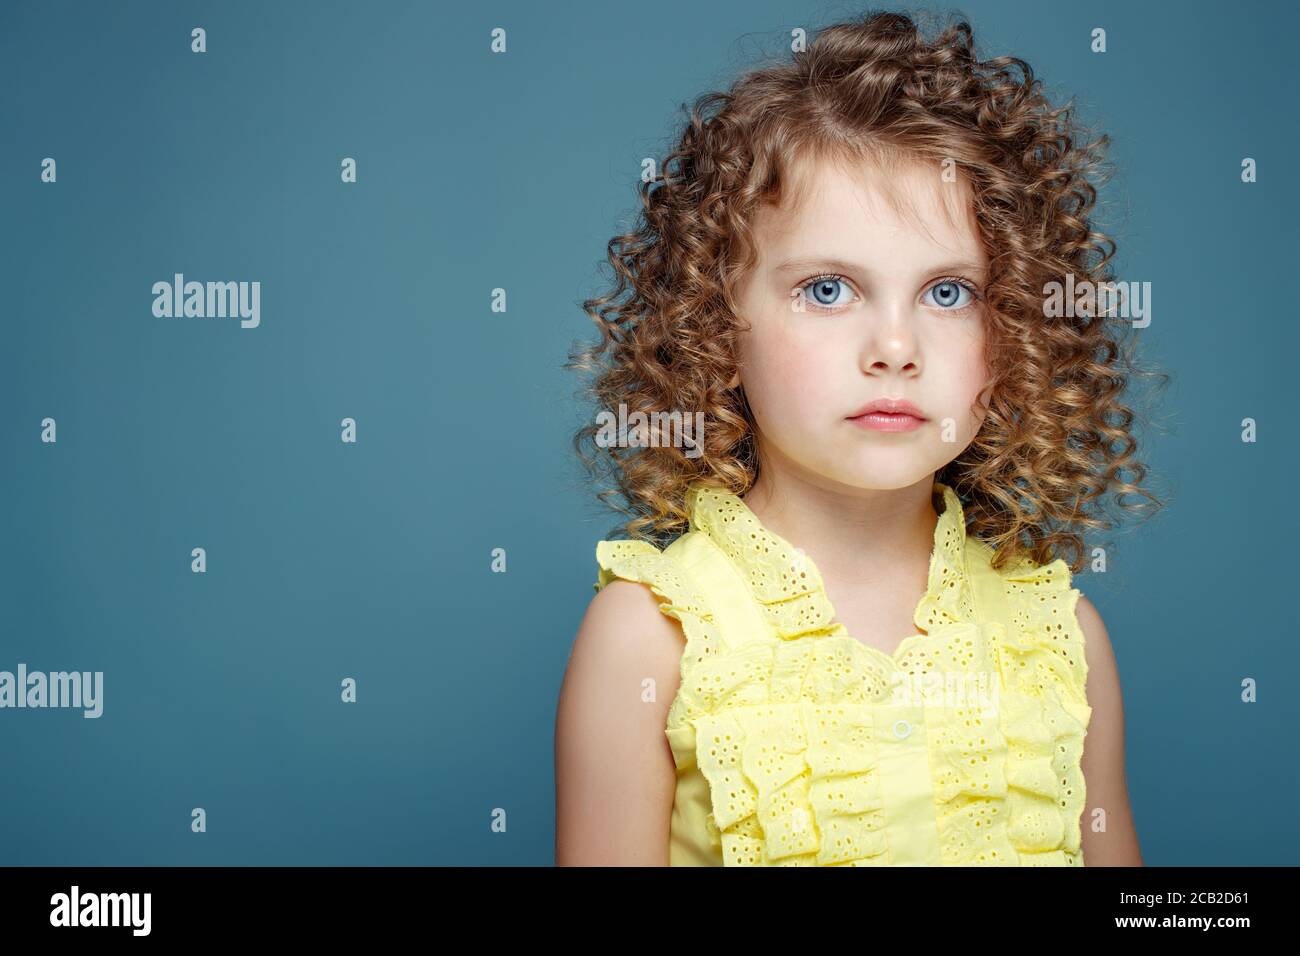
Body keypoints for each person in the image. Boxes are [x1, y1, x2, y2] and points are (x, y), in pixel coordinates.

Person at [557, 9, 1160, 867]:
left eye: (949, 293)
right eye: (829, 289)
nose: (895, 349)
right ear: (717, 320)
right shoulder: (652, 635)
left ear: (1017, 328)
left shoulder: (1058, 632)